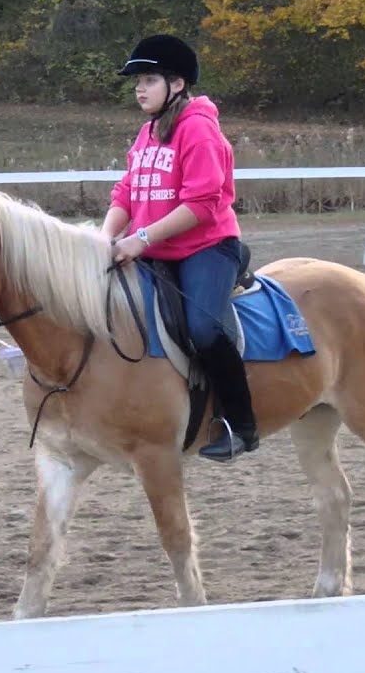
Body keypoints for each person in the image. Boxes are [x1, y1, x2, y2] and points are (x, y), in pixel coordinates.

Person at [99, 33, 257, 462]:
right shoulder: (147, 132)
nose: (139, 89)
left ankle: (240, 425)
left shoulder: (199, 129)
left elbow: (204, 204)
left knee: (204, 328)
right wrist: (105, 236)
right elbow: (127, 192)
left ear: (178, 84)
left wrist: (140, 238)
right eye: (137, 81)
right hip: (152, 249)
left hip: (206, 247)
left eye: (149, 80)